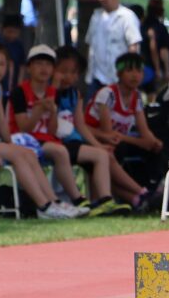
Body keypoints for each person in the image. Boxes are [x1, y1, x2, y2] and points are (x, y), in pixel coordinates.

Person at [0, 41, 81, 218]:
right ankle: (43, 206)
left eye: (1, 64)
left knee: (27, 153)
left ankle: (54, 202)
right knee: (19, 155)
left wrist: (11, 143)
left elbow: (0, 122)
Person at [9, 44, 123, 216]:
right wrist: (40, 110)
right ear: (29, 67)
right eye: (39, 64)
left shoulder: (52, 92)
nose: (44, 69)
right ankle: (76, 199)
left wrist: (52, 111)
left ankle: (105, 200)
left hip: (47, 139)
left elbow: (52, 130)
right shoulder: (20, 92)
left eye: (48, 65)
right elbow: (24, 128)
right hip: (25, 140)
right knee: (60, 150)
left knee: (99, 154)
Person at [53, 46, 146, 210]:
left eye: (74, 72)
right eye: (64, 71)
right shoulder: (107, 94)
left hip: (77, 143)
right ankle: (139, 193)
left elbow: (80, 126)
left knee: (104, 153)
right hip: (59, 144)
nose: (69, 77)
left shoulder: (76, 94)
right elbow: (106, 131)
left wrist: (99, 146)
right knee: (106, 154)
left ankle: (112, 199)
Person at [85, 52, 167, 190]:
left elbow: (144, 129)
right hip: (97, 139)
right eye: (129, 70)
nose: (135, 75)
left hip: (120, 140)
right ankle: (138, 192)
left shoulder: (138, 97)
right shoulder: (107, 94)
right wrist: (142, 142)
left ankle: (155, 187)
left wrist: (153, 142)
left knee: (156, 149)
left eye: (139, 71)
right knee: (119, 147)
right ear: (119, 74)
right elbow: (108, 133)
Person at [86, 0, 142, 96]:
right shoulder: (96, 16)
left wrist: (129, 73)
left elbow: (133, 46)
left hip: (118, 79)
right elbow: (90, 43)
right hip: (96, 77)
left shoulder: (127, 16)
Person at [142, 0, 169, 94]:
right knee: (153, 94)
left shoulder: (142, 25)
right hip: (153, 68)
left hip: (141, 65)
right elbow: (160, 50)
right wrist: (164, 70)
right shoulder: (159, 27)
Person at [0, 13, 26, 96]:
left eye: (15, 32)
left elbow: (22, 65)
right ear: (3, 29)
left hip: (14, 81)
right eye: (9, 31)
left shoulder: (19, 45)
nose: (12, 35)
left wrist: (19, 82)